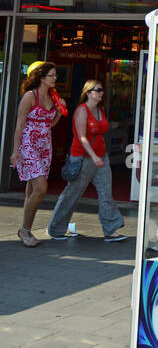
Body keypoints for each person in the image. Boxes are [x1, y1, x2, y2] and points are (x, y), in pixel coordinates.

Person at [47, 80, 127, 243]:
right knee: (72, 194)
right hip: (83, 157)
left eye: (102, 90)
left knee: (106, 192)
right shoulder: (81, 111)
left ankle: (110, 229)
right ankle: (56, 229)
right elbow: (82, 137)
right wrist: (94, 156)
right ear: (88, 93)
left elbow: (102, 128)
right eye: (97, 90)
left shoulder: (99, 109)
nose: (101, 93)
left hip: (100, 156)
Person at [13, 62, 65, 246]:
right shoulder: (30, 96)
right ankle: (25, 230)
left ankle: (26, 230)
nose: (55, 78)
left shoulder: (53, 97)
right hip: (28, 144)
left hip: (45, 146)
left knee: (32, 189)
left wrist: (58, 113)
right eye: (52, 75)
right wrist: (15, 151)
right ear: (41, 77)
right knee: (41, 187)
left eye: (55, 75)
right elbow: (20, 125)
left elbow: (48, 124)